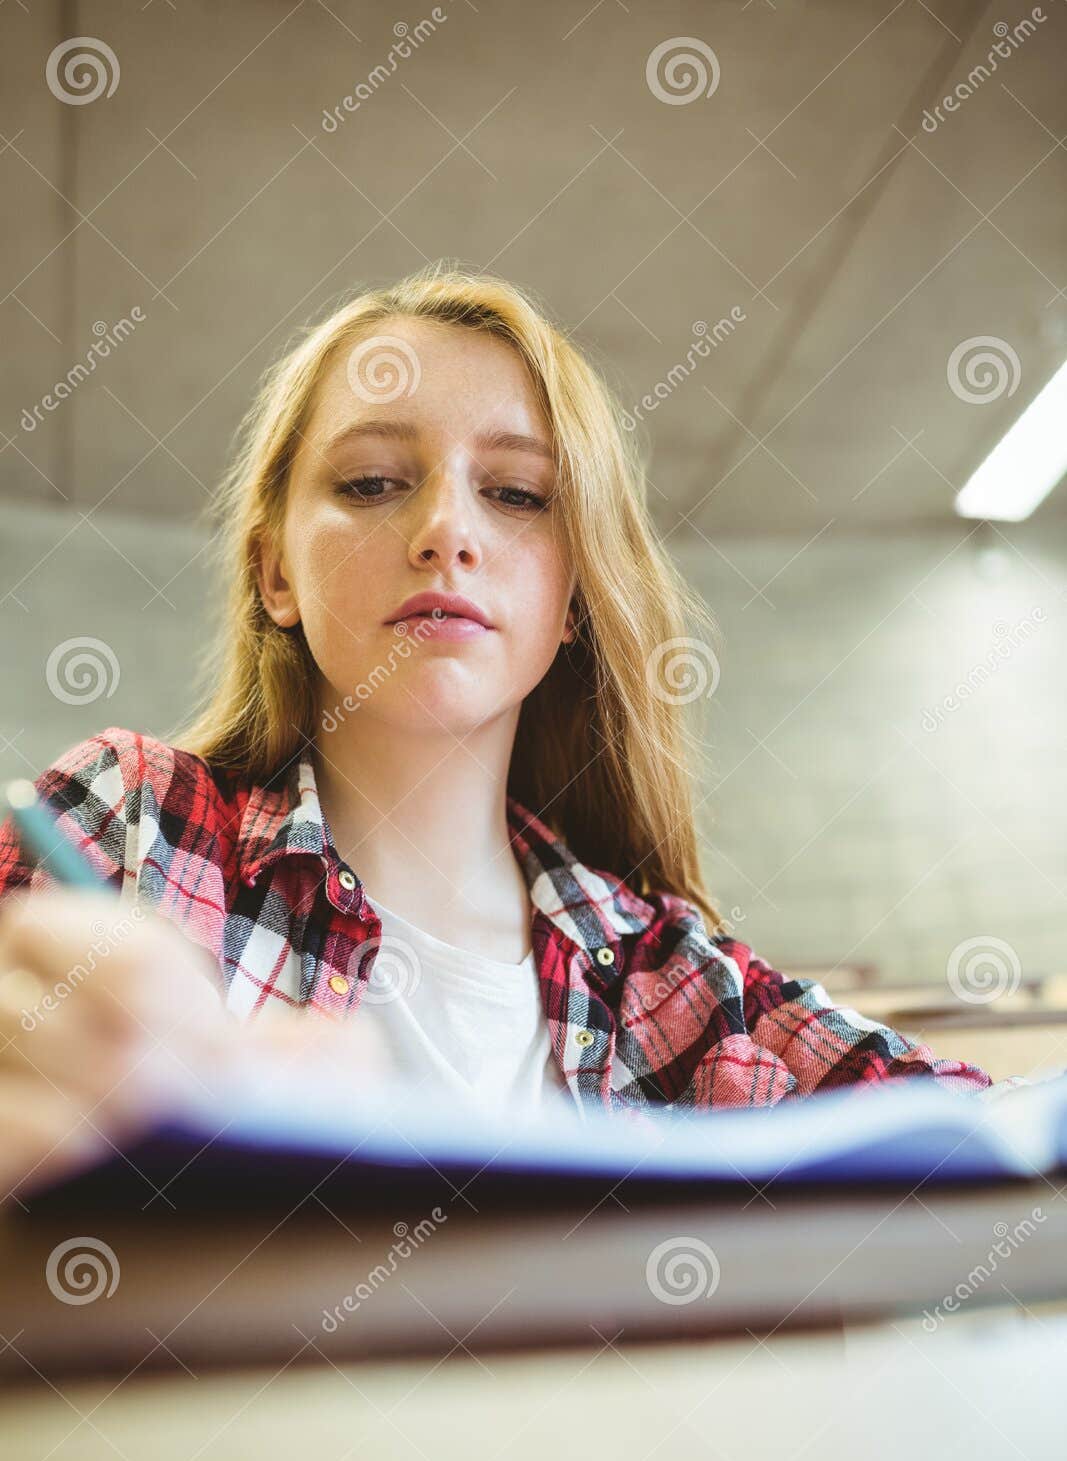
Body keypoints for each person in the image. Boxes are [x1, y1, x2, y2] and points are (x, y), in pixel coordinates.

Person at [0, 264, 1006, 1196]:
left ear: (571, 598)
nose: (446, 530)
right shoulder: (132, 817)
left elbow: (983, 1142)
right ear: (275, 574)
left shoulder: (661, 965)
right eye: (370, 483)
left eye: (517, 494)